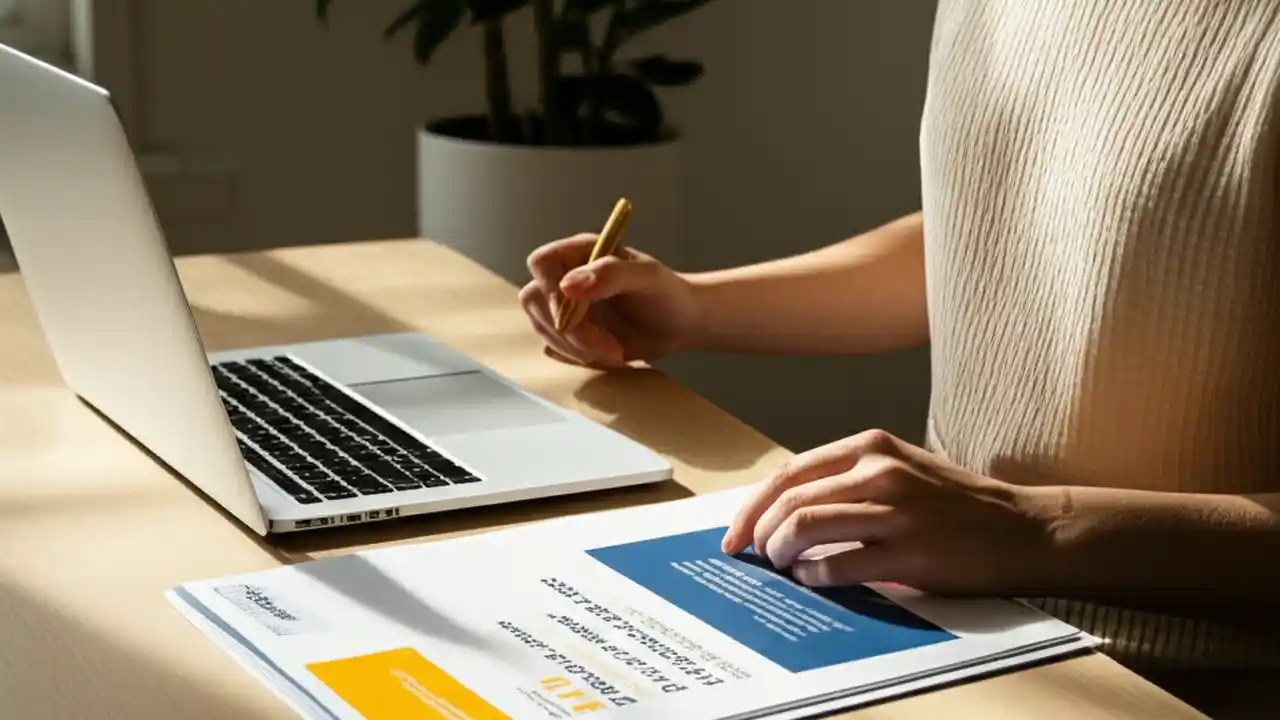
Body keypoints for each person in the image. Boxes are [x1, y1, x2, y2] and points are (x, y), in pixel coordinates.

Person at [520, 1, 1278, 715]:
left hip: (1181, 683)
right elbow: (997, 226)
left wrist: (1032, 530)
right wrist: (698, 307)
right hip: (948, 625)